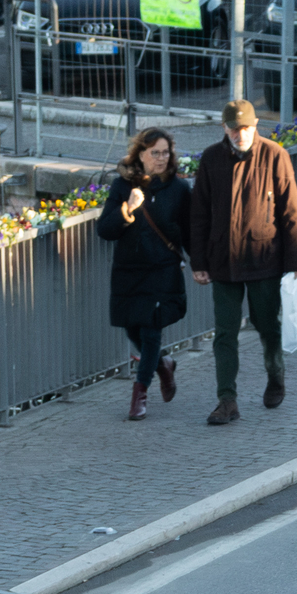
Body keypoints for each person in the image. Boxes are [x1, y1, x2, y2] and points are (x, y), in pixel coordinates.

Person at [187, 100, 297, 418]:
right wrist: (198, 262)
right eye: (234, 129)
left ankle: (275, 377)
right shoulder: (211, 158)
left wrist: (295, 264)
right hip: (222, 261)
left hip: (263, 258)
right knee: (224, 333)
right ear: (224, 129)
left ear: (255, 126)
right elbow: (199, 214)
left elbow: (291, 212)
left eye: (245, 128)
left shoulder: (275, 155)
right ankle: (227, 399)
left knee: (267, 326)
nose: (240, 134)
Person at [94, 128, 191, 422]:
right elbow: (104, 230)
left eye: (165, 153)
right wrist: (127, 209)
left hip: (162, 269)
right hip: (129, 270)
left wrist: (201, 264)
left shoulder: (179, 189)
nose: (161, 159)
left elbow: (189, 231)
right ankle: (163, 364)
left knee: (150, 331)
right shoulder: (122, 186)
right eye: (155, 153)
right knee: (132, 329)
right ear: (141, 155)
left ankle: (140, 394)